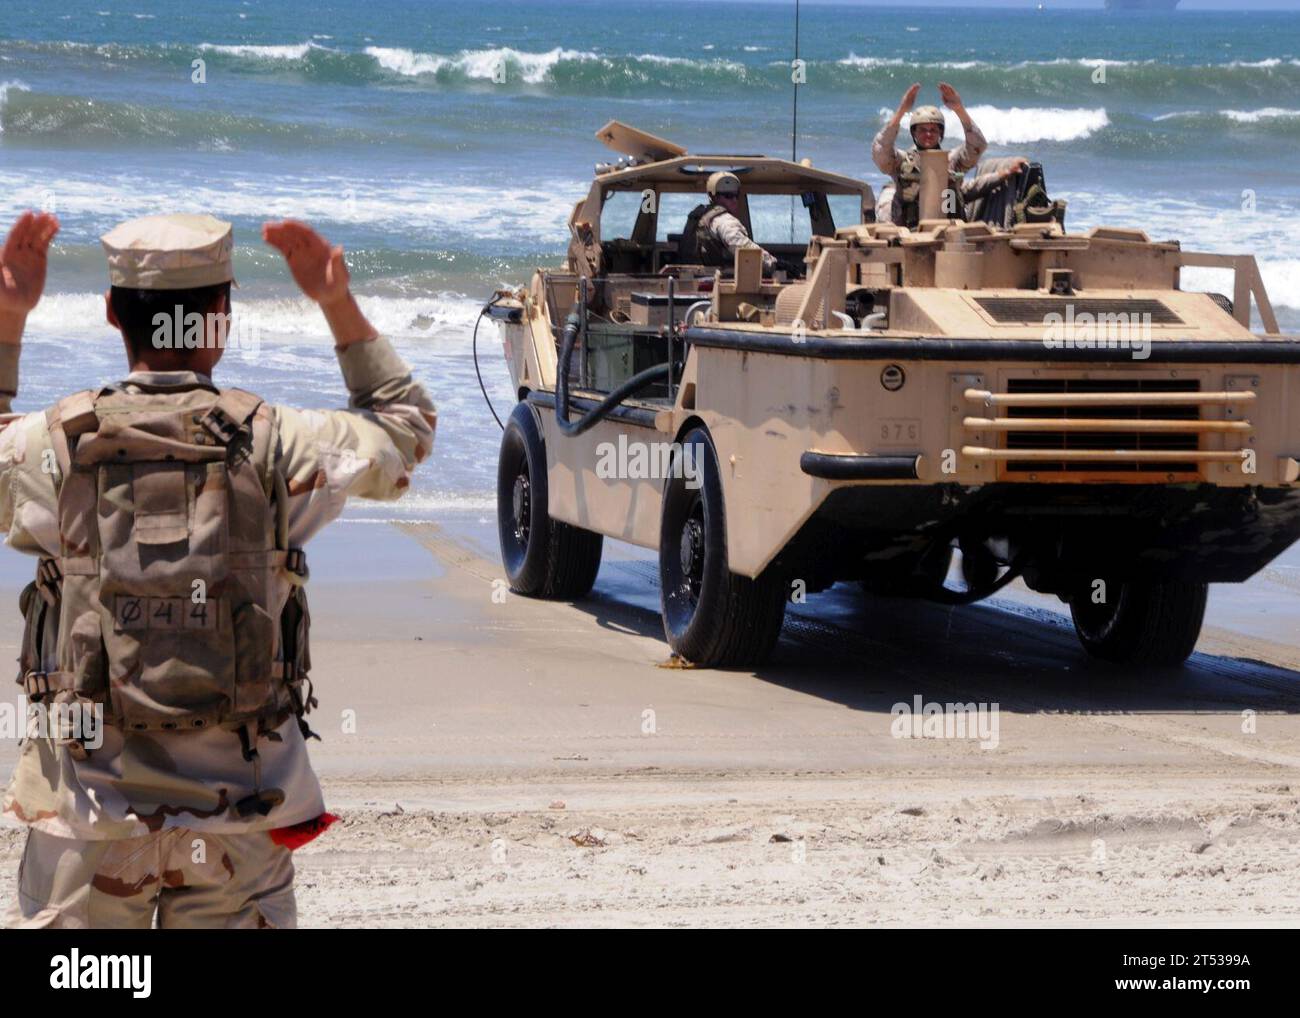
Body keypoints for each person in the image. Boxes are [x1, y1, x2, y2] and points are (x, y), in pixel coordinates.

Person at [0, 211, 436, 928]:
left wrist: (9, 318)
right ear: (221, 318)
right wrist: (334, 301)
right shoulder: (281, 443)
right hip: (243, 808)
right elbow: (407, 428)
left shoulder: (53, 445)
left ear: (112, 312)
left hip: (88, 810)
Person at [872, 82, 1023, 228]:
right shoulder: (901, 161)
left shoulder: (951, 160)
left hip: (948, 228)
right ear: (914, 133)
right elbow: (880, 149)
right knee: (887, 199)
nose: (928, 134)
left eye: (933, 130)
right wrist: (901, 111)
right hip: (908, 232)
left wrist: (959, 109)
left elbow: (977, 146)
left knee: (952, 192)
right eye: (922, 130)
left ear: (941, 133)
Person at [679, 171, 779, 273]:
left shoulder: (698, 217)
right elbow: (744, 249)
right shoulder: (724, 220)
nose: (734, 200)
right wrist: (773, 264)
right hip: (721, 277)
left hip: (696, 276)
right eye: (728, 196)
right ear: (714, 197)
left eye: (736, 195)